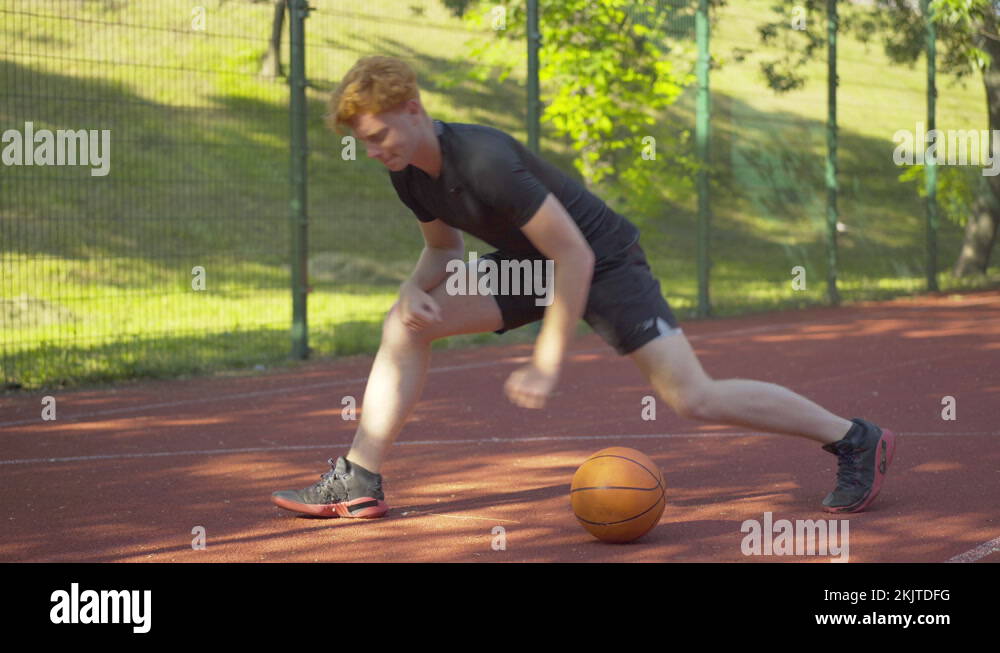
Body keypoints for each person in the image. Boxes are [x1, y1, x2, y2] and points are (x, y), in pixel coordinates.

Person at [271, 56, 895, 520]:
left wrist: (546, 363)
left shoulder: (484, 160)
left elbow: (572, 255)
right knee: (406, 323)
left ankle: (852, 438)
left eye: (378, 135)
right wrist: (413, 290)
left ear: (414, 110)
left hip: (603, 262)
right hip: (527, 266)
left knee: (694, 398)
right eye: (363, 142)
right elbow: (443, 248)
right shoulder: (408, 174)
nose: (373, 150)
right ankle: (360, 478)